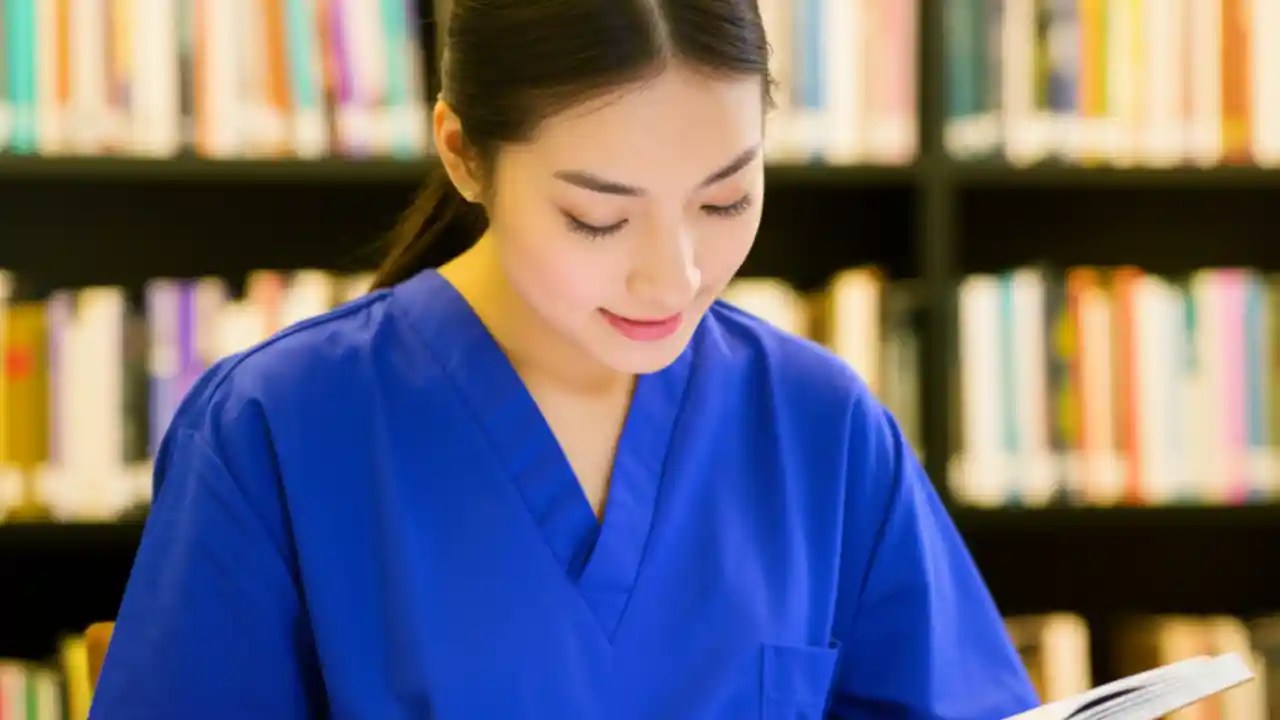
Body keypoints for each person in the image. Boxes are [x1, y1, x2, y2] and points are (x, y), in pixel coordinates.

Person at [91, 1, 1040, 717]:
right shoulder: (280, 428)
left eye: (725, 201)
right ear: (464, 154)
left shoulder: (818, 424)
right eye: (598, 217)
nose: (673, 278)